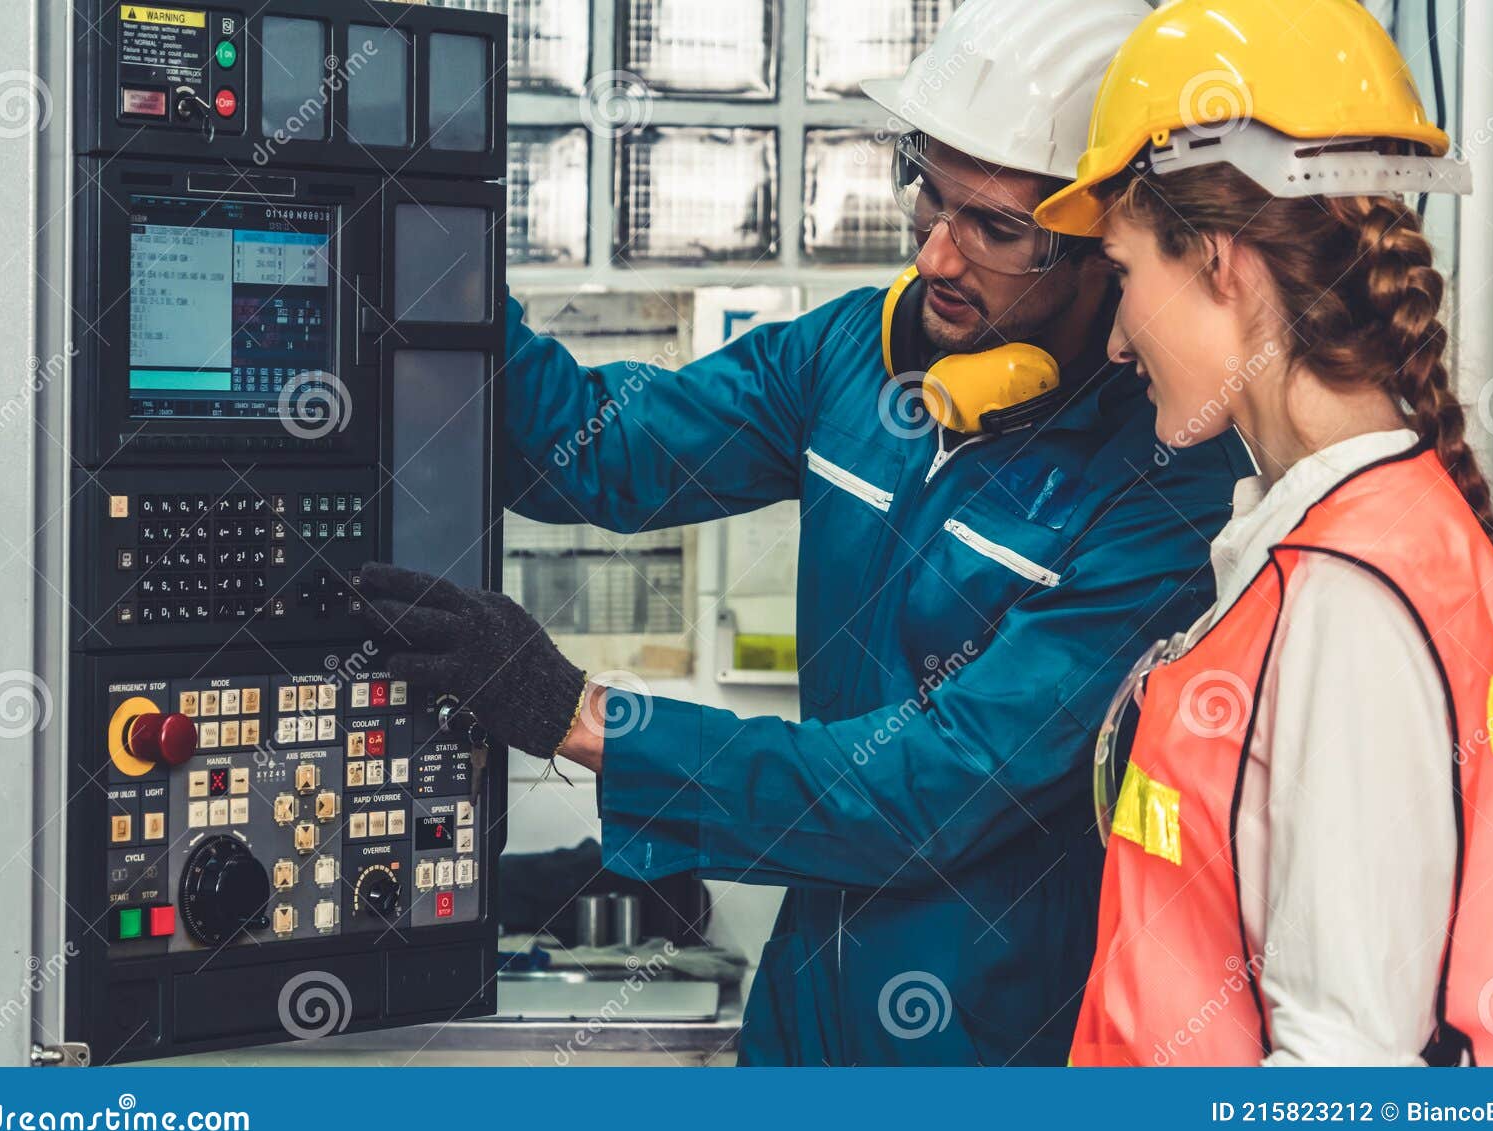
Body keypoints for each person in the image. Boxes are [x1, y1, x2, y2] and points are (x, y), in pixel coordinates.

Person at [361, 0, 1250, 1066]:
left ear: (1111, 245)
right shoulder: (852, 358)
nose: (934, 255)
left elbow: (926, 786)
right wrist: (426, 234)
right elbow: (597, 451)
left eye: (995, 229)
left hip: (990, 1049)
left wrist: (581, 715)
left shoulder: (1168, 492)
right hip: (799, 1018)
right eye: (926, 188)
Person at [1034, 0, 1493, 1065]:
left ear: (1220, 261)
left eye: (1125, 274)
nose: (1114, 335)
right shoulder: (1357, 537)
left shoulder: (1349, 593)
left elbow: (1346, 1075)